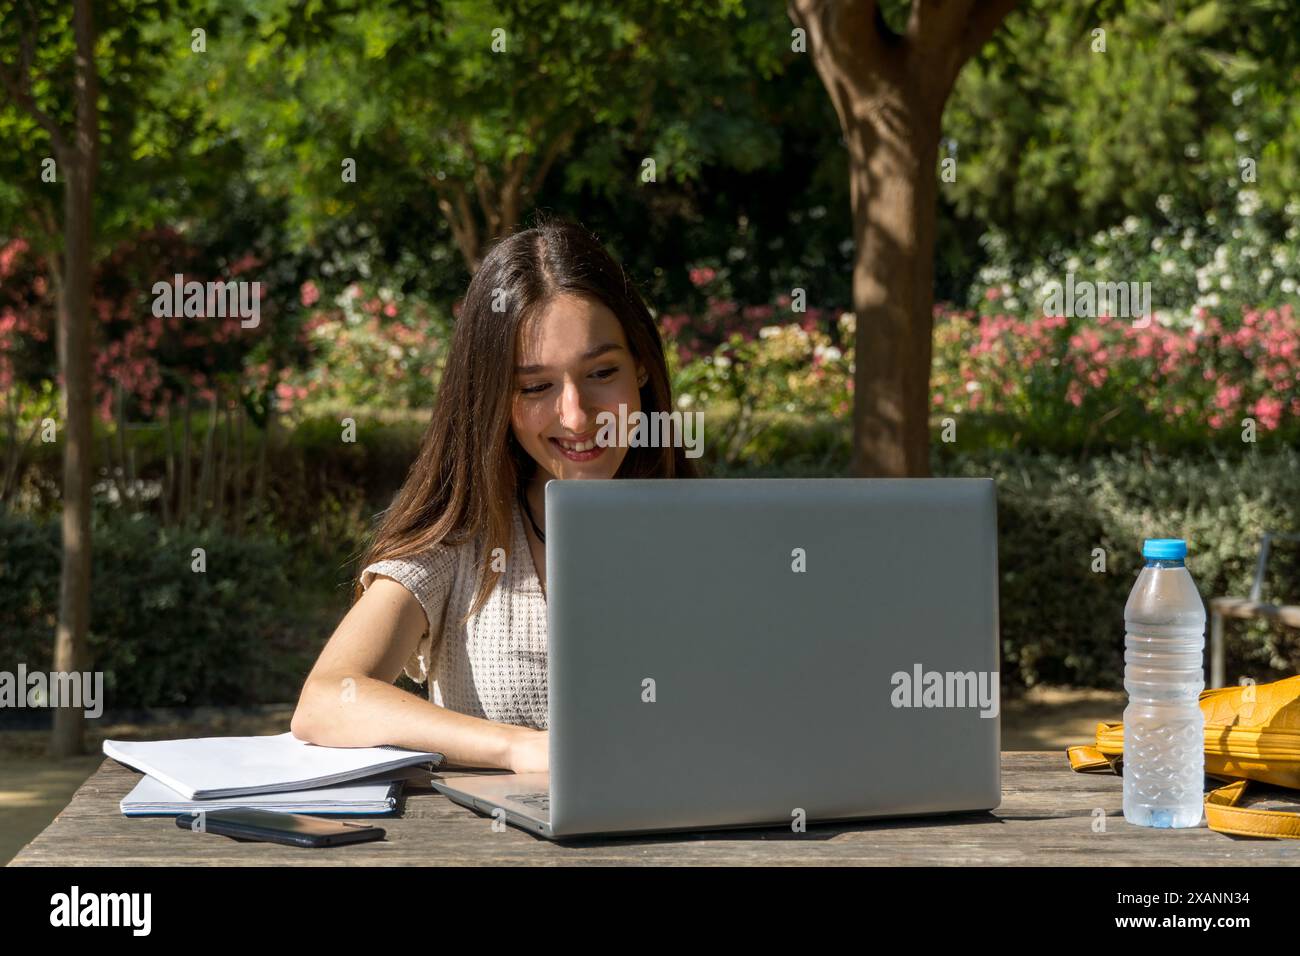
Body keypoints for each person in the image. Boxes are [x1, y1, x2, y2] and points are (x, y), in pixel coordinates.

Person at [290, 218, 697, 773]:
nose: (577, 415)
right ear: (494, 398)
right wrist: (522, 747)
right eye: (536, 387)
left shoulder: (708, 529)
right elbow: (326, 699)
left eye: (602, 372)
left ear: (643, 368)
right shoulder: (461, 537)